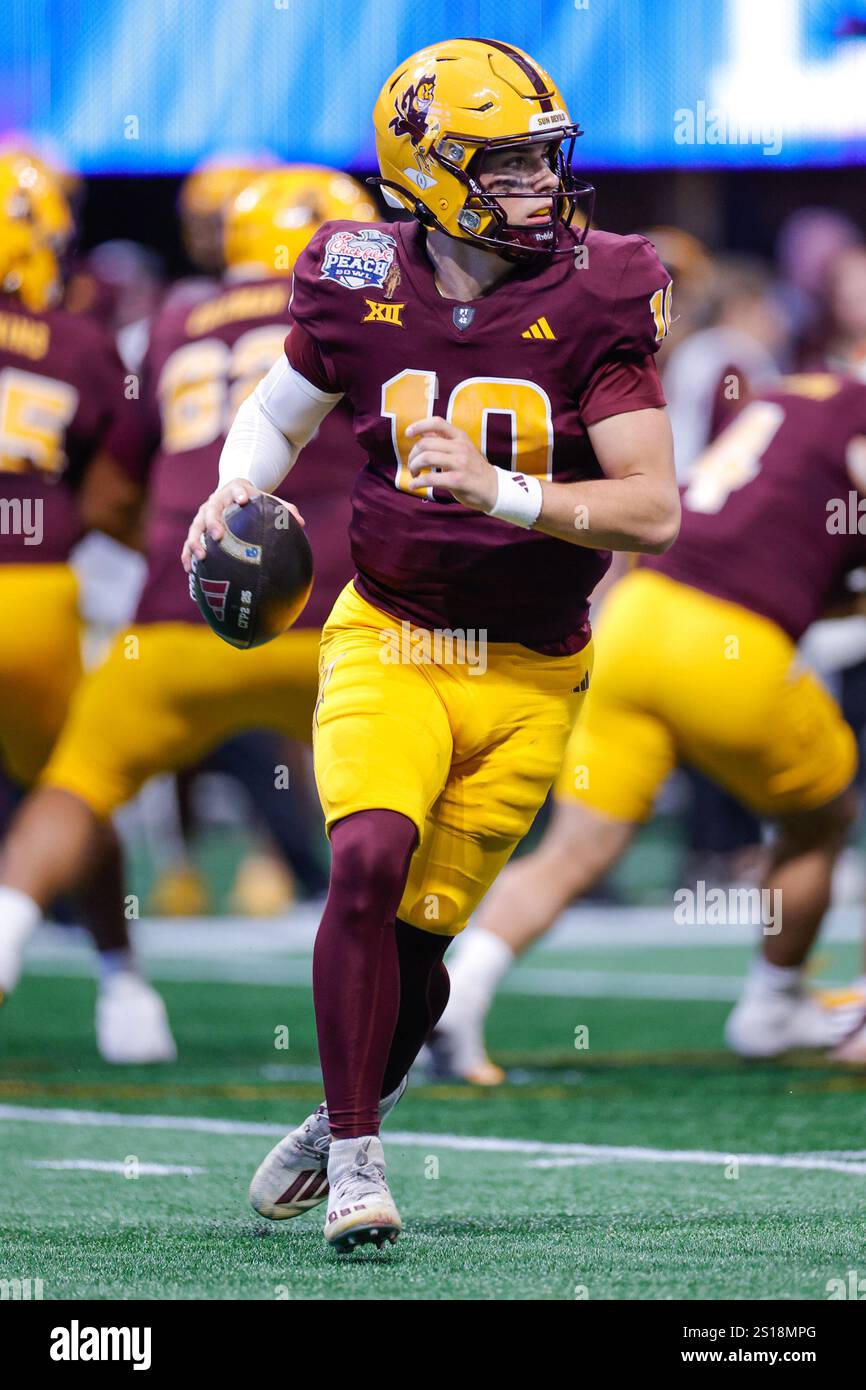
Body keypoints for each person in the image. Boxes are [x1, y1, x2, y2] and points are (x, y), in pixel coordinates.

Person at [182, 38, 680, 1251]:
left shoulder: (600, 284)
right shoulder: (354, 275)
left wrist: (506, 494)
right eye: (503, 168)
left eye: (539, 163)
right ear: (428, 171)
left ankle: (348, 1101)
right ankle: (359, 1162)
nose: (536, 190)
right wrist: (233, 489)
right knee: (363, 858)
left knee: (421, 936)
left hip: (531, 664)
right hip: (392, 634)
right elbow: (280, 407)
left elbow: (653, 511)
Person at [0, 166, 371, 1026]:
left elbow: (121, 492)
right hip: (337, 619)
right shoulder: (372, 312)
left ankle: (17, 928)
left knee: (76, 782)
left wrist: (184, 551)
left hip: (181, 611)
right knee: (413, 789)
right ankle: (425, 1004)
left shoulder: (170, 325)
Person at [433, 372, 866, 1082]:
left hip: (637, 618)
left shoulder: (792, 396)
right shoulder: (854, 414)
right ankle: (774, 1003)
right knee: (822, 819)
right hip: (729, 641)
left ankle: (460, 994)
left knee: (576, 850)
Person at [0, 153, 173, 1060]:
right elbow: (110, 501)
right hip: (30, 591)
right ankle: (123, 987)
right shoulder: (72, 341)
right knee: (77, 784)